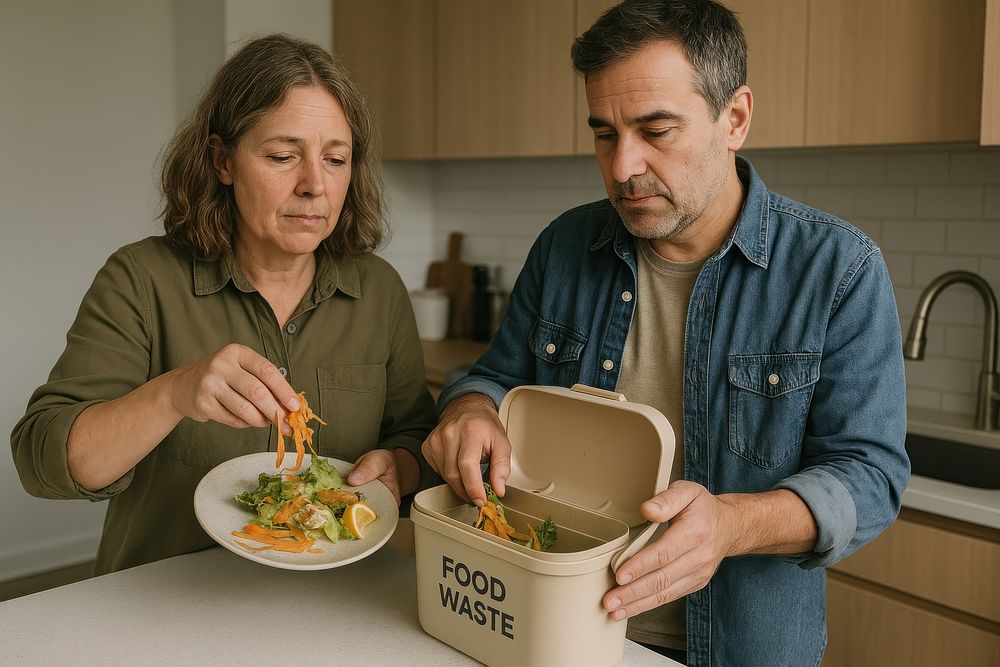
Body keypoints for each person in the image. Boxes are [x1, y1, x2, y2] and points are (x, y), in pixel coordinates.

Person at [421, 1, 909, 665]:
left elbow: (871, 477)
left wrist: (732, 523)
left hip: (740, 648)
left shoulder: (838, 270)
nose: (623, 166)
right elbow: (495, 376)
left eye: (656, 131)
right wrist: (471, 407)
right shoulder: (564, 247)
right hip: (555, 631)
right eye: (604, 133)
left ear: (734, 118)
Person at [11, 34, 437, 575]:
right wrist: (171, 393)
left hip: (336, 604)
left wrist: (400, 465)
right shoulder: (140, 280)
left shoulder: (379, 289)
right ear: (222, 161)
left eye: (335, 159)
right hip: (161, 602)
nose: (314, 185)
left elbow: (416, 436)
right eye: (283, 156)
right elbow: (41, 458)